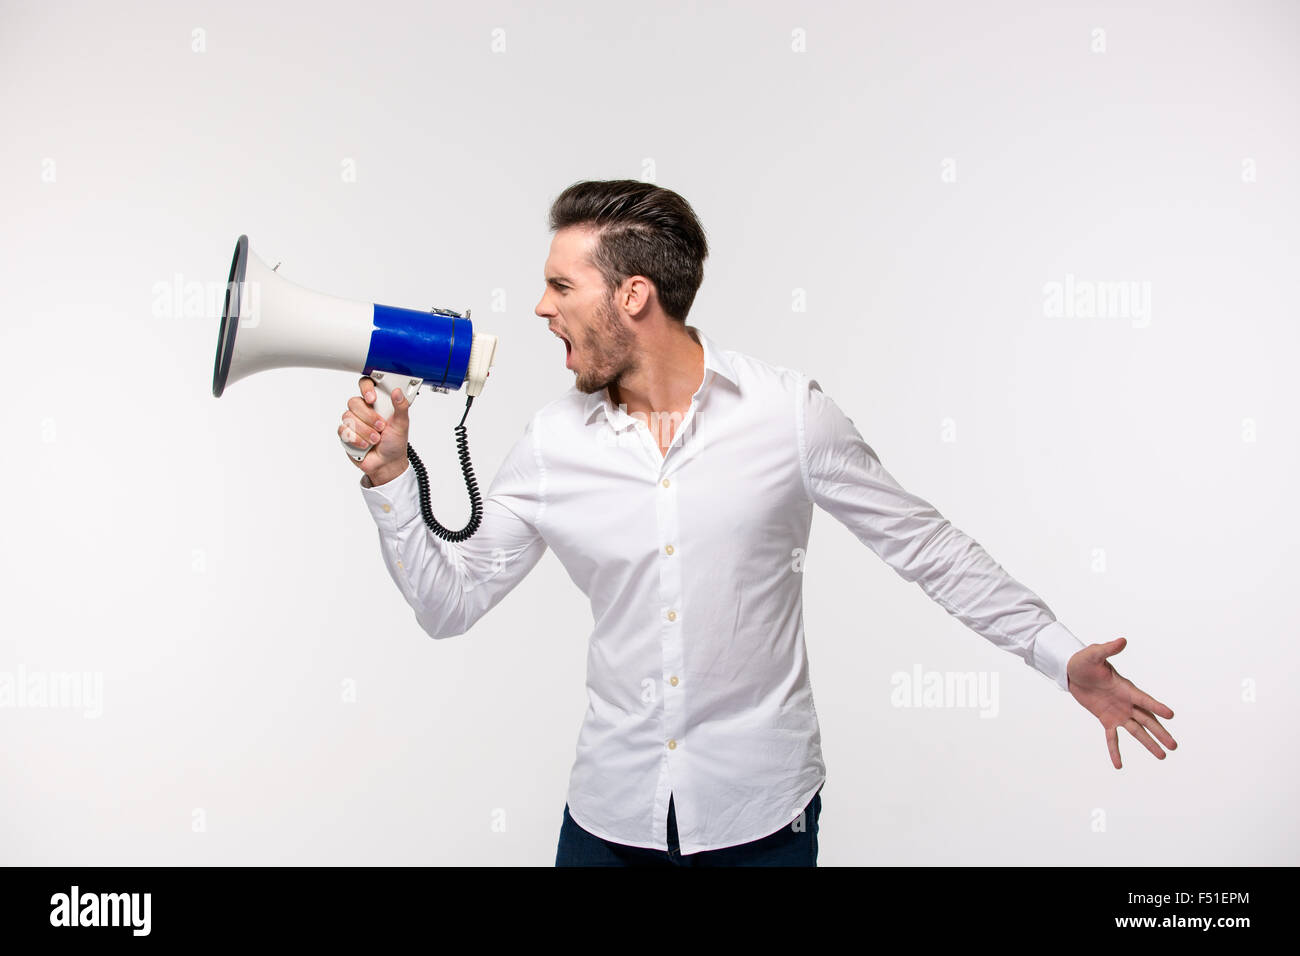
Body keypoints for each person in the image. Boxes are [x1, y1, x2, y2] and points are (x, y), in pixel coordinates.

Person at [339, 179, 1177, 867]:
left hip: (761, 824)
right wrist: (388, 481)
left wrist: (1059, 654)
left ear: (633, 296)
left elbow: (927, 548)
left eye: (561, 286)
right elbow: (449, 605)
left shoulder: (787, 417)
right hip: (607, 823)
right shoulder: (554, 442)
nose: (538, 308)